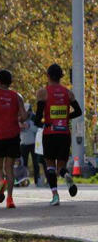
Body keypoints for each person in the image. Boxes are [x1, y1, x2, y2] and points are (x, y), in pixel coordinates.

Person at [35, 63, 82, 206]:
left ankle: (55, 196)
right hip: (64, 133)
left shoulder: (43, 93)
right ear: (61, 76)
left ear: (48, 76)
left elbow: (38, 118)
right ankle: (66, 175)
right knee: (60, 167)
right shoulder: (68, 93)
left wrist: (41, 123)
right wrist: (66, 117)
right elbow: (79, 112)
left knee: (50, 165)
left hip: (50, 133)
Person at [0, 69, 27, 209]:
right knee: (9, 168)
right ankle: (10, 199)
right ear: (10, 82)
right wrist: (16, 119)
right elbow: (24, 116)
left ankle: (1, 181)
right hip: (13, 135)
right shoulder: (17, 96)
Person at [20, 103, 38, 186]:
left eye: (27, 111)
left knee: (36, 163)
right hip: (23, 144)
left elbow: (37, 129)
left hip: (33, 143)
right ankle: (23, 180)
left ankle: (37, 180)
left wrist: (29, 126)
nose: (26, 113)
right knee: (23, 164)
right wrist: (20, 127)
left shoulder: (34, 117)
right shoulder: (19, 117)